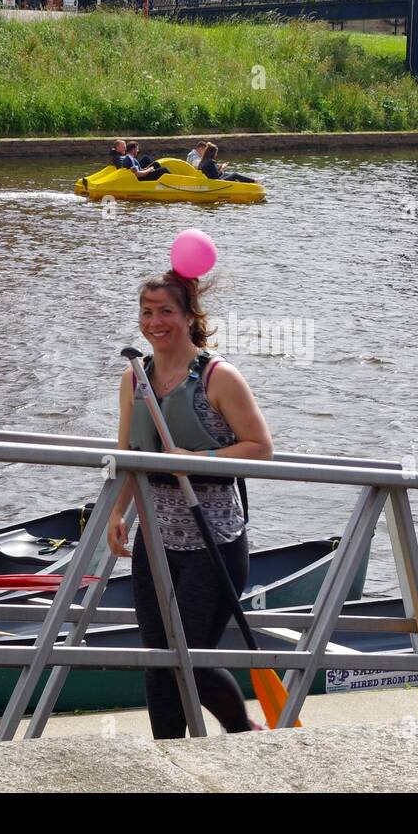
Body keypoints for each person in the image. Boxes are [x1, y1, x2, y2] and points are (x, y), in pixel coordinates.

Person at [106, 269, 274, 738]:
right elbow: (129, 457)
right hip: (155, 541)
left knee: (191, 661)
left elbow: (260, 447)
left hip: (213, 537)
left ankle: (243, 731)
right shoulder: (134, 378)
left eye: (165, 312)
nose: (155, 322)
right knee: (160, 663)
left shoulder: (219, 377)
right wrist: (118, 512)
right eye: (147, 312)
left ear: (188, 316)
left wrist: (199, 457)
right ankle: (168, 758)